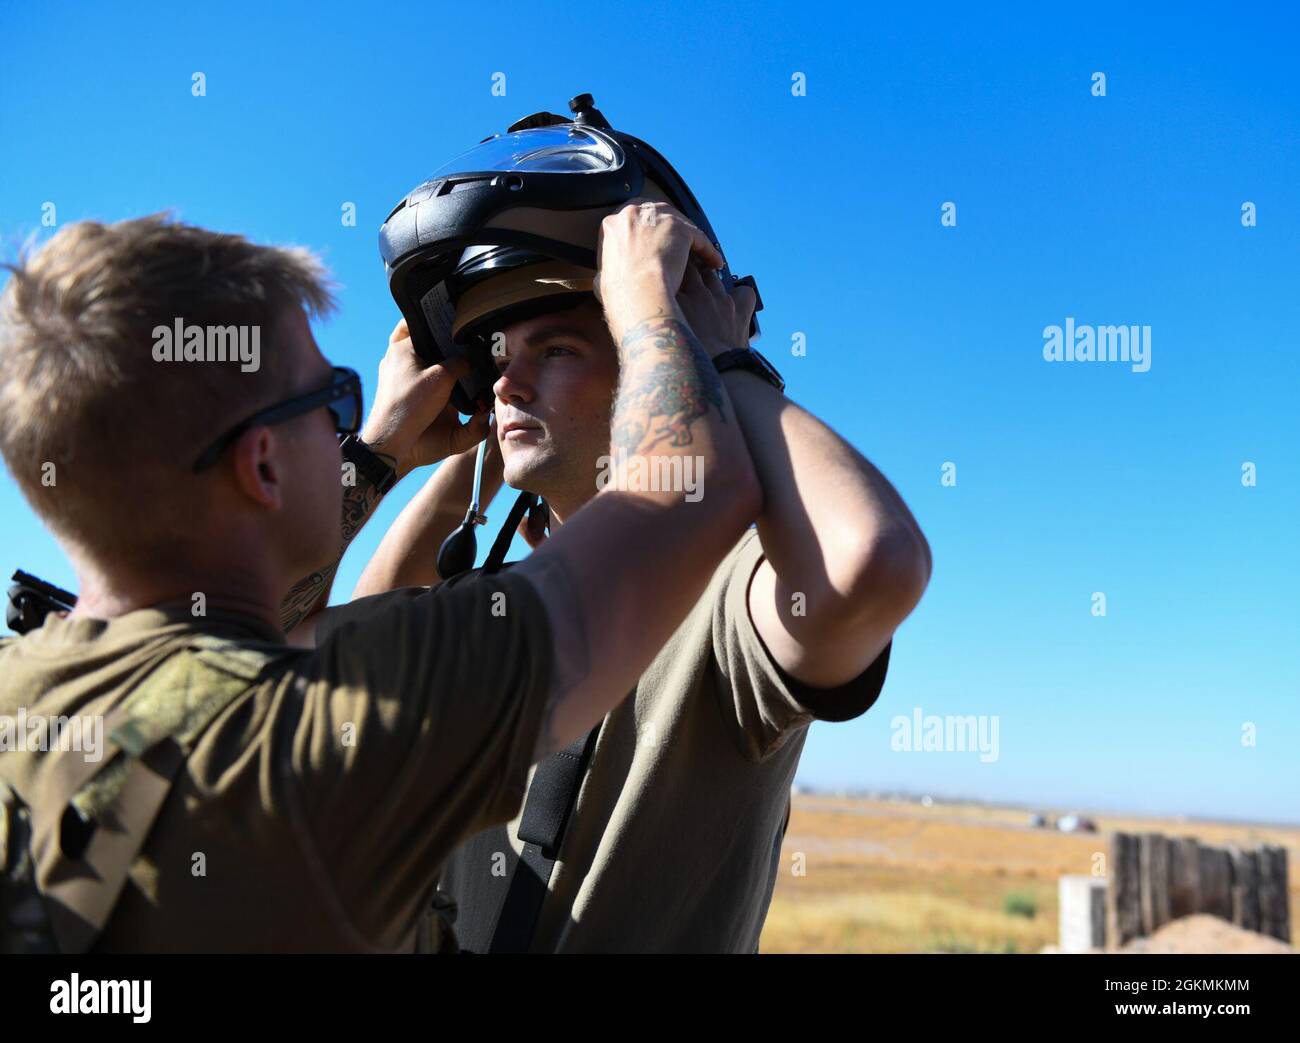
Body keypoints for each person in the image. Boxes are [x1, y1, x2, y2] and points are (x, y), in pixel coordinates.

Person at [0, 203, 759, 952]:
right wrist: (657, 310)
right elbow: (693, 494)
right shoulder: (314, 736)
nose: (351, 432)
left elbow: (269, 629)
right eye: (334, 403)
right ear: (262, 464)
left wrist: (379, 453)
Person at [316, 244, 934, 952]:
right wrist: (386, 453)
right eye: (497, 362)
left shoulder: (721, 600)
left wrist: (719, 363)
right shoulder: (493, 607)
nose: (507, 384)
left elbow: (870, 562)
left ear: (652, 372)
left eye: (554, 350)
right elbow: (311, 667)